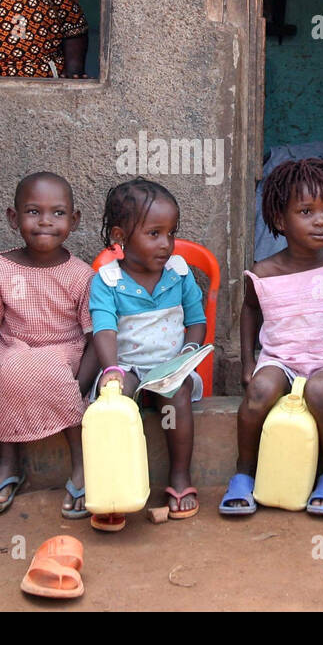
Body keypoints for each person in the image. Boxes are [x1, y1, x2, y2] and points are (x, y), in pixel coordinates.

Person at [220, 159, 323, 517]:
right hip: (281, 359)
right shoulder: (262, 274)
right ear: (281, 220)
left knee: (320, 391)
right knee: (259, 392)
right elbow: (250, 310)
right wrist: (250, 362)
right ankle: (244, 474)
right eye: (306, 211)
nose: (321, 220)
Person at [88, 179, 206, 531]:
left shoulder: (179, 274)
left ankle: (180, 476)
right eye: (154, 233)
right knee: (115, 404)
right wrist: (111, 369)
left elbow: (196, 322)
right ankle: (114, 490)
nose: (166, 244)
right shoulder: (107, 281)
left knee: (178, 392)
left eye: (171, 233)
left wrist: (188, 352)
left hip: (169, 367)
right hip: (125, 367)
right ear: (120, 236)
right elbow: (104, 329)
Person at [0, 173, 97, 519]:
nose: (45, 221)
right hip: (14, 348)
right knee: (12, 368)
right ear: (13, 218)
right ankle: (9, 462)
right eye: (33, 212)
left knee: (50, 371)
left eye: (58, 213)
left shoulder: (81, 275)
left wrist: (81, 388)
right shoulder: (0, 267)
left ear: (74, 221)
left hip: (65, 352)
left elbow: (92, 338)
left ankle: (81, 465)